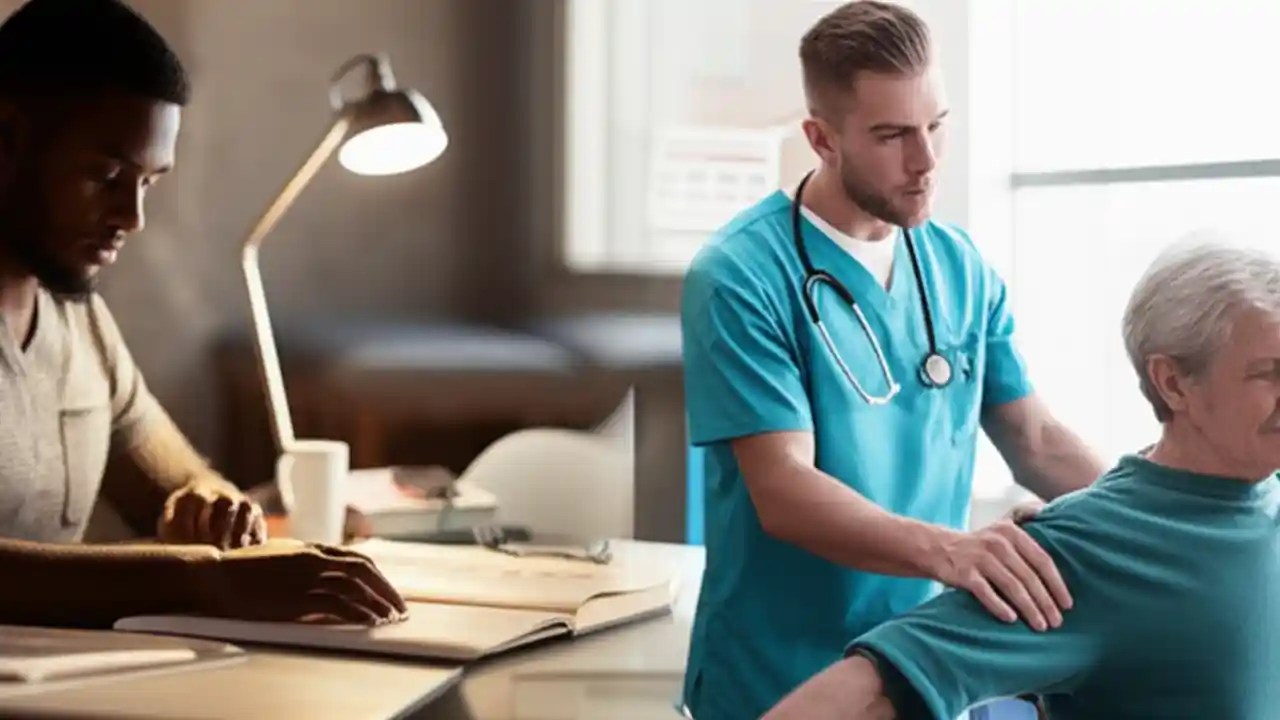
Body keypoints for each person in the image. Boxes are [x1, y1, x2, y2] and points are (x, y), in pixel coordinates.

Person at [678, 2, 1105, 717]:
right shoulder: (739, 275)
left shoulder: (959, 266)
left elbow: (1035, 440)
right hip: (779, 677)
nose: (926, 160)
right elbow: (783, 489)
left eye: (936, 125)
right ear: (821, 138)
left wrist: (1159, 515)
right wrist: (953, 552)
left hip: (919, 668)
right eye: (892, 135)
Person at [0, 0, 406, 628]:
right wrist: (202, 581)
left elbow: (185, 482)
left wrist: (214, 507)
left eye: (148, 182)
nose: (131, 217)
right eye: (106, 175)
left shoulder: (81, 324)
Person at [764, 240, 1280, 719]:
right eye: (1270, 373)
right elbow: (866, 694)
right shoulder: (1083, 554)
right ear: (1173, 384)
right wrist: (1090, 529)